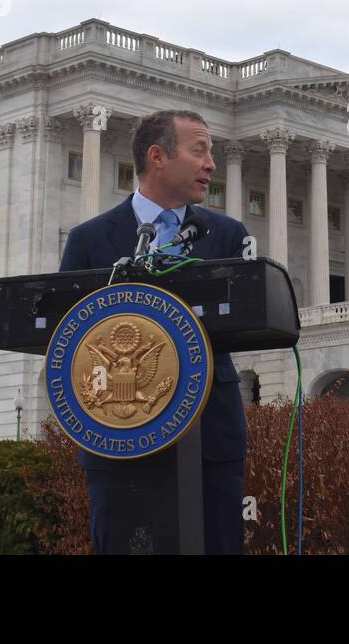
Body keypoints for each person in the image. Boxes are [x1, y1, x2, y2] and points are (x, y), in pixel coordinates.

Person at [60, 109, 250, 554]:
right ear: (158, 156)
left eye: (212, 153)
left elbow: (245, 322)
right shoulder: (89, 239)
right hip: (116, 431)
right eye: (199, 151)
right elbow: (68, 337)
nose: (211, 165)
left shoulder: (227, 235)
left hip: (209, 435)